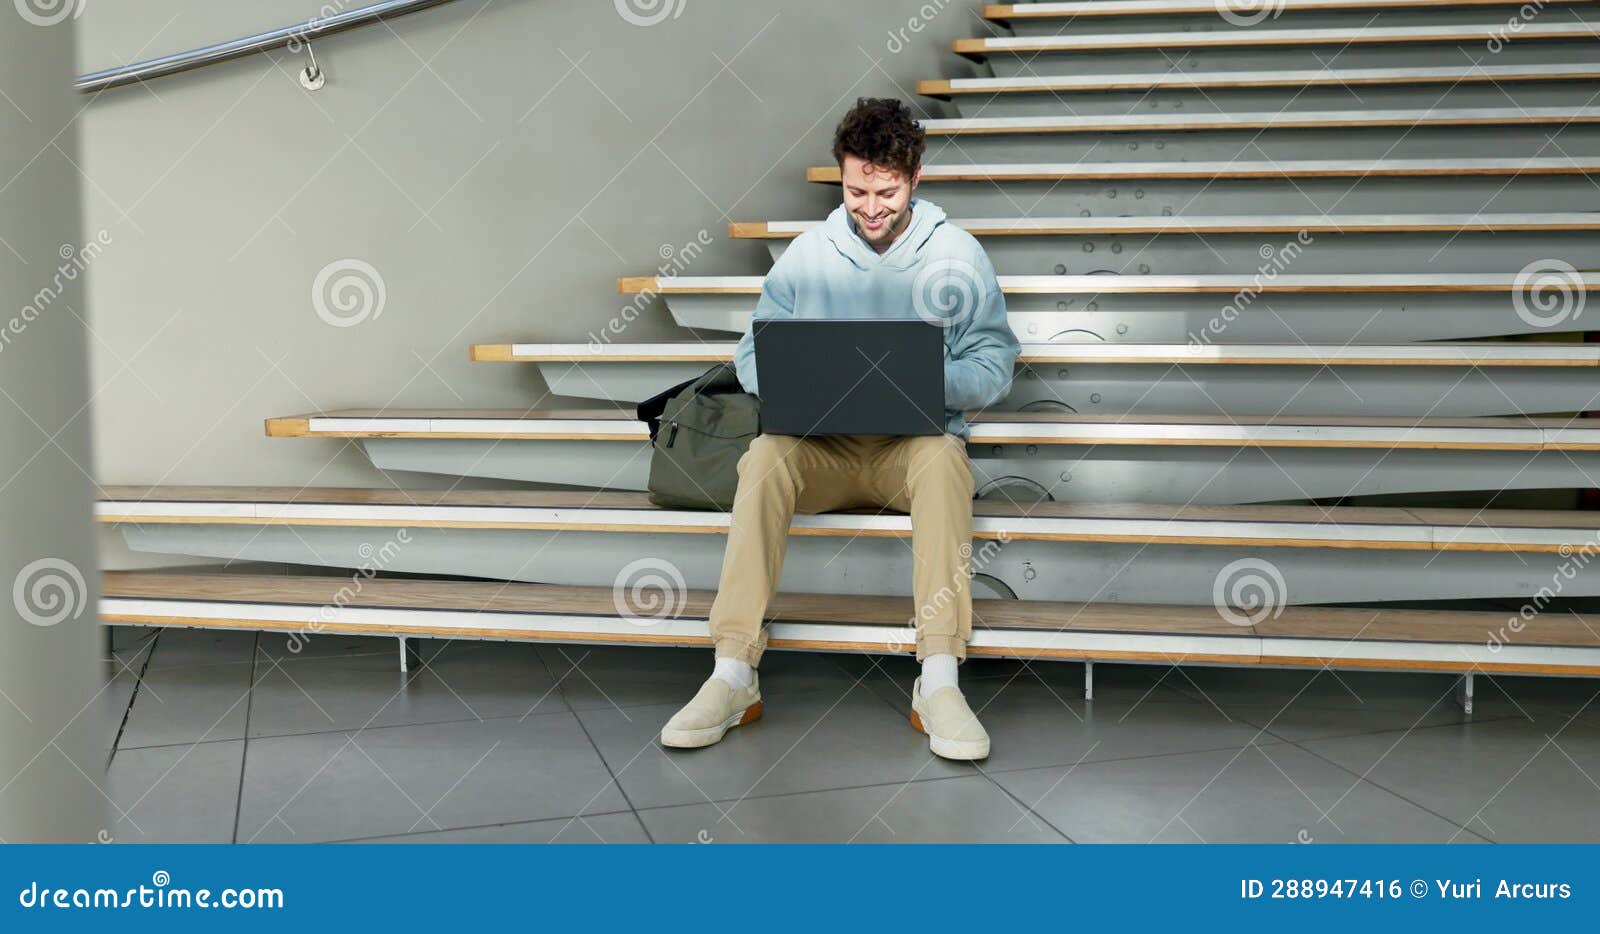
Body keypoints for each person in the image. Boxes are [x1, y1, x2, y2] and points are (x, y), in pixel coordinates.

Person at [659, 97, 1021, 760]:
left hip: (910, 450)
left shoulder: (958, 254)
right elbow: (750, 355)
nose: (871, 207)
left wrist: (924, 382)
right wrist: (803, 378)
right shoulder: (807, 255)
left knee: (945, 459)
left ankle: (939, 679)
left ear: (915, 179)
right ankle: (732, 672)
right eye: (857, 191)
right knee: (764, 456)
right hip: (821, 449)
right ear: (842, 178)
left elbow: (995, 362)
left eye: (887, 192)